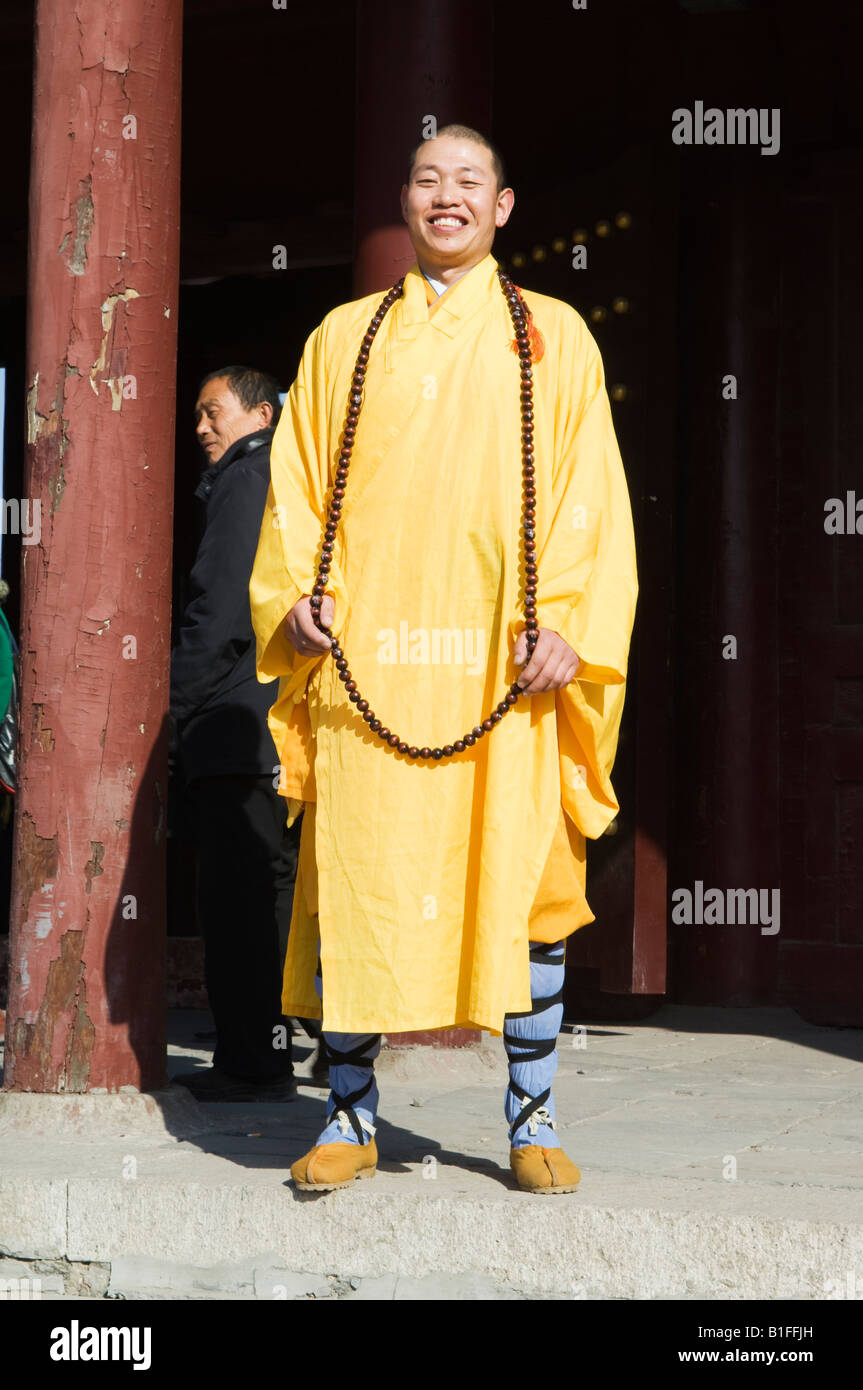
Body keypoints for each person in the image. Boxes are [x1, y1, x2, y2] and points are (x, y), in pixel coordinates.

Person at [249, 125, 638, 1188]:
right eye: (428, 180)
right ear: (404, 201)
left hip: (498, 667)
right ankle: (347, 1116)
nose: (448, 197)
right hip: (369, 664)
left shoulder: (551, 335)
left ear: (503, 206)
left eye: (470, 182)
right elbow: (295, 495)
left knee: (522, 884)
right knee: (356, 881)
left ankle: (532, 1118)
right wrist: (293, 604)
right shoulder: (342, 338)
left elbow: (586, 496)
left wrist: (566, 620)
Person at [171, 366, 318, 1102]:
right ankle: (286, 1045)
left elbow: (220, 608)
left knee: (236, 905)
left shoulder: (244, 477)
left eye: (213, 412)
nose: (202, 427)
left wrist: (171, 710)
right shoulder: (298, 474)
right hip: (289, 727)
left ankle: (250, 1063)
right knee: (278, 896)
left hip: (237, 722)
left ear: (260, 413)